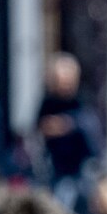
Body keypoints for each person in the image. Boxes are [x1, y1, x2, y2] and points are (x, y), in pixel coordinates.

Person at [33, 53, 100, 196]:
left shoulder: (83, 99)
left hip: (81, 168)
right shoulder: (48, 101)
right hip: (54, 166)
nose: (63, 85)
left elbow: (91, 128)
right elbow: (38, 126)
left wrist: (66, 124)